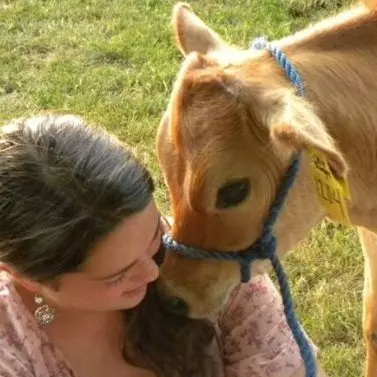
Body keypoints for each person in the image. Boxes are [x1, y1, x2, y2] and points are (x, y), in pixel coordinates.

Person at [0, 114, 324, 377]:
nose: (156, 270)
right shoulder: (10, 351)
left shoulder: (202, 262)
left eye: (155, 233)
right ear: (26, 277)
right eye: (118, 275)